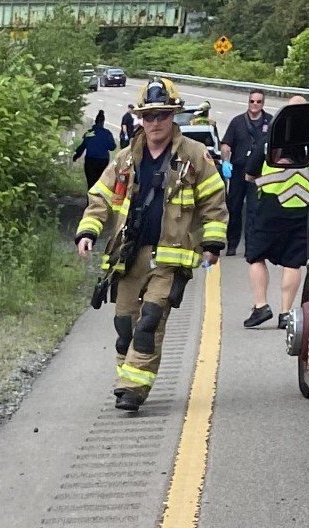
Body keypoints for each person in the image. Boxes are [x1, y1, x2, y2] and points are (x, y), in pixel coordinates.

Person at [75, 78, 229, 413]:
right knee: (125, 326)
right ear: (141, 118)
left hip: (170, 259)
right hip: (129, 255)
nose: (155, 122)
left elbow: (214, 202)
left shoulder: (194, 155)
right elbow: (100, 198)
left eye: (162, 115)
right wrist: (87, 232)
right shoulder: (126, 159)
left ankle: (134, 389)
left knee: (149, 322)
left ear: (173, 116)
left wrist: (213, 242)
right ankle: (125, 380)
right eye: (149, 115)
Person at [242, 97, 309, 329]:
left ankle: (261, 305)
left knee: (256, 255)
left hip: (271, 207)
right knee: (293, 262)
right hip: (303, 207)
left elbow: (249, 174)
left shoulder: (272, 138)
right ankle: (286, 313)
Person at [218, 90, 272, 256]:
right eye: (252, 101)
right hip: (238, 171)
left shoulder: (270, 122)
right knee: (234, 208)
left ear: (263, 103)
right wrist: (225, 161)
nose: (254, 104)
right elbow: (226, 145)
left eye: (258, 102)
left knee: (254, 210)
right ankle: (232, 244)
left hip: (259, 173)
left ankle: (251, 247)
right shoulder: (238, 122)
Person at [71, 111, 118, 189]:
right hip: (103, 161)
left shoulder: (89, 133)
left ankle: (90, 196)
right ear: (103, 122)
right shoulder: (107, 133)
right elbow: (112, 147)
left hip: (90, 160)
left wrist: (76, 156)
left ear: (95, 122)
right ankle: (97, 196)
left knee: (91, 182)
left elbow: (83, 146)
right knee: (99, 182)